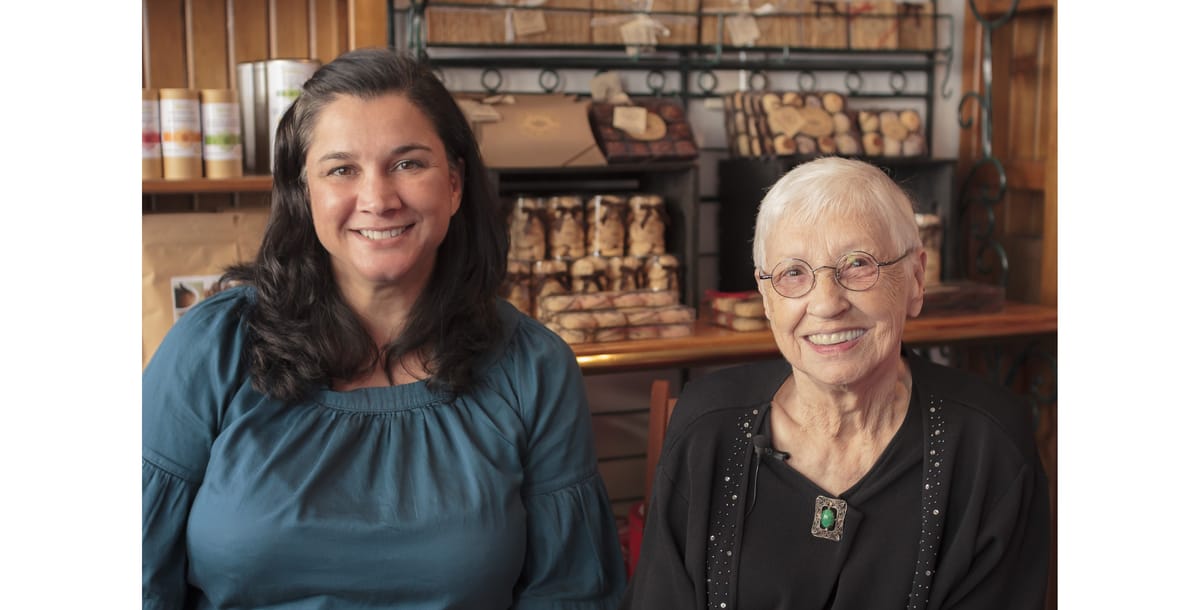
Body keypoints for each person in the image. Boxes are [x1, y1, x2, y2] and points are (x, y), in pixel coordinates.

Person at [142, 48, 626, 609]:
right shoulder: (211, 347)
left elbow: (569, 595)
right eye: (341, 169)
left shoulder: (533, 368)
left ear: (454, 184)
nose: (377, 199)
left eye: (407, 164)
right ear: (304, 193)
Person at [621, 157, 1049, 609]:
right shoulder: (707, 423)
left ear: (917, 280)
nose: (826, 304)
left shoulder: (991, 445)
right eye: (793, 273)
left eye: (858, 264)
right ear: (767, 299)